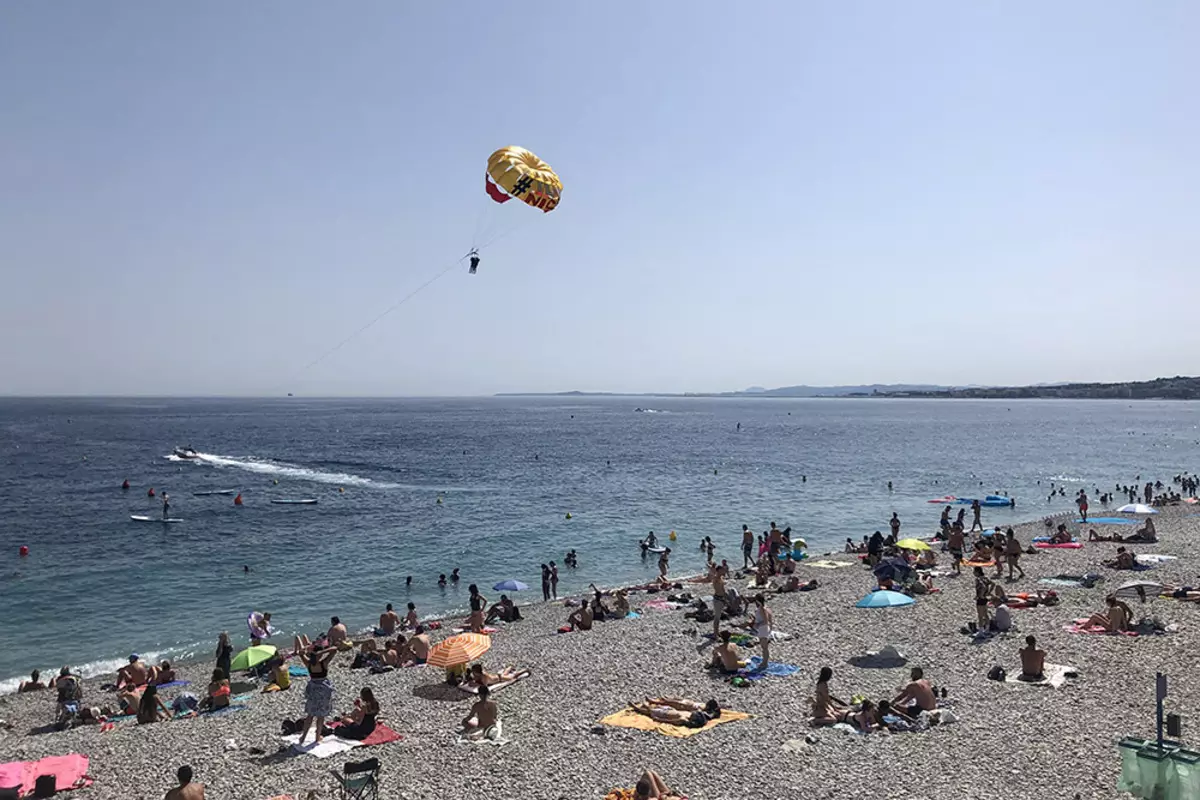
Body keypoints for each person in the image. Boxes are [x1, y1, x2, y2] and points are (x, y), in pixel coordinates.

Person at [296, 643, 338, 745]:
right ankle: (317, 737)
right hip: (323, 690)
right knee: (321, 715)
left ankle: (303, 737)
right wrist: (322, 652)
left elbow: (300, 653)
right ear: (320, 654)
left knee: (310, 715)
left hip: (313, 689)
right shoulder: (323, 663)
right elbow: (334, 649)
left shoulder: (308, 663)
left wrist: (307, 650)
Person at [630, 697, 721, 728]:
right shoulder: (687, 716)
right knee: (657, 708)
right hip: (671, 711)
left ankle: (638, 708)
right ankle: (648, 706)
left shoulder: (683, 719)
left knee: (650, 711)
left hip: (666, 714)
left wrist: (659, 720)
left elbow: (670, 721)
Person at [749, 593, 772, 669]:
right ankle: (764, 662)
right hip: (763, 629)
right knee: (764, 647)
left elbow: (765, 620)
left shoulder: (762, 608)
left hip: (763, 628)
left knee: (764, 647)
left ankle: (765, 663)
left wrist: (757, 624)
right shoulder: (764, 608)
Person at [710, 562, 728, 637]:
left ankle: (717, 632)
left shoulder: (721, 578)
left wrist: (726, 598)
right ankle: (715, 634)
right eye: (722, 570)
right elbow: (714, 576)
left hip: (722, 598)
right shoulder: (716, 578)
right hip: (717, 598)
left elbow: (723, 589)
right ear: (719, 570)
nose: (724, 571)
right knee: (717, 617)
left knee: (719, 616)